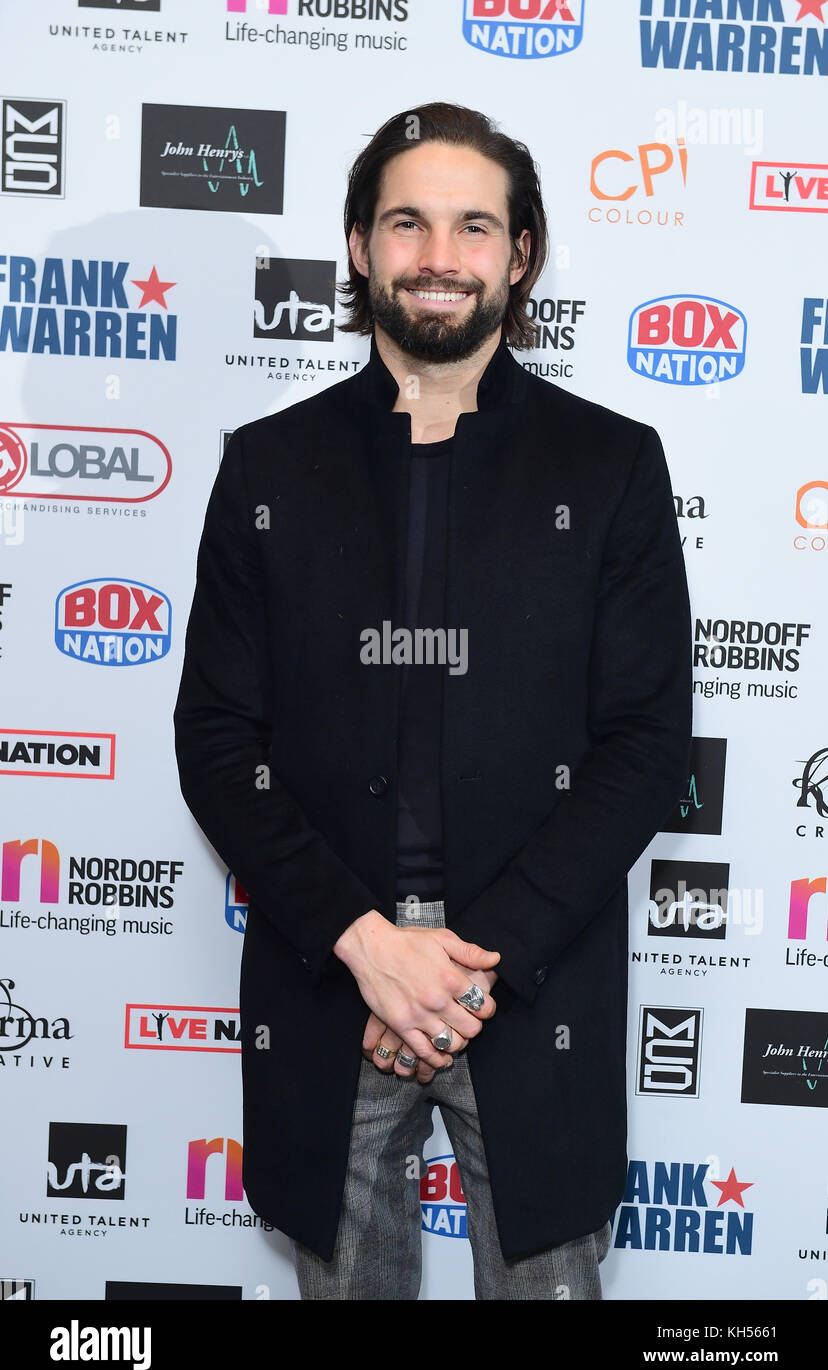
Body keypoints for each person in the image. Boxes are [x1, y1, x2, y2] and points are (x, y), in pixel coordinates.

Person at [173, 102, 693, 1301]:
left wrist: (465, 974)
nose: (439, 256)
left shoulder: (611, 466)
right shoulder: (267, 466)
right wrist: (367, 948)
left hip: (531, 987)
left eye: (474, 225)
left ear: (523, 255)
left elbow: (643, 742)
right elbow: (215, 738)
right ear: (359, 245)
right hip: (330, 988)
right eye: (407, 221)